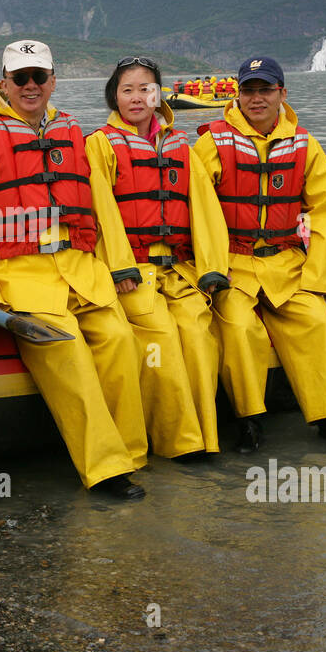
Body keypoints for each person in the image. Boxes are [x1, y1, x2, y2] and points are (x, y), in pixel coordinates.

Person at [0, 40, 147, 497]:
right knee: (67, 354)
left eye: (38, 77)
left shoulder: (73, 132)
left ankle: (134, 453)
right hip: (22, 278)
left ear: (52, 81)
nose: (29, 86)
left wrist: (120, 266)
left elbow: (102, 204)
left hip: (81, 270)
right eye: (19, 78)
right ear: (3, 82)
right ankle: (105, 469)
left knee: (122, 342)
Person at [193, 56, 326, 451]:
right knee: (238, 327)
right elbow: (197, 208)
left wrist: (316, 279)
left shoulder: (305, 144)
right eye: (249, 90)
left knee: (317, 321)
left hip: (286, 262)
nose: (257, 98)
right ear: (238, 94)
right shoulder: (212, 142)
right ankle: (250, 420)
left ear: (282, 93)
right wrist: (210, 269)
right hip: (232, 262)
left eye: (265, 89)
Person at [86, 56, 231, 458]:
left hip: (180, 271)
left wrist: (212, 268)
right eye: (127, 89)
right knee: (161, 340)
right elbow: (102, 212)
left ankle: (207, 437)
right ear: (114, 96)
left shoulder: (181, 146)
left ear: (158, 94)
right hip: (134, 272)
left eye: (145, 88)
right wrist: (120, 267)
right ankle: (179, 444)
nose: (136, 97)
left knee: (199, 337)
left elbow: (204, 208)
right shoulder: (100, 144)